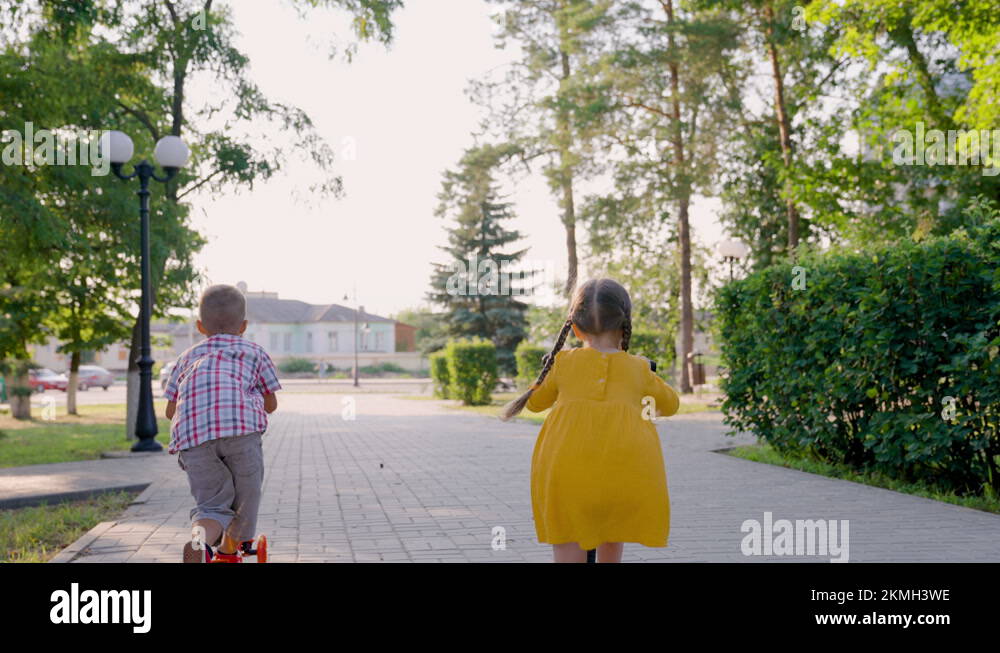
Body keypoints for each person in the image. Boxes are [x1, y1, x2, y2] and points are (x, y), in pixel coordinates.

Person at [501, 278, 680, 563]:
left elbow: (535, 403)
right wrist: (647, 369)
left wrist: (549, 370)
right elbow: (670, 405)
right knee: (612, 535)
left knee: (568, 544)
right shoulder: (638, 368)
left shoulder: (563, 362)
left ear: (574, 327)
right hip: (623, 474)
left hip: (567, 472)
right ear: (625, 323)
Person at [164, 284, 281, 563]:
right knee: (245, 497)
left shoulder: (186, 358)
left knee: (211, 505)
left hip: (193, 439)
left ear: (200, 326)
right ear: (243, 326)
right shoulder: (254, 351)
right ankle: (229, 553)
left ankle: (199, 543)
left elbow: (171, 410)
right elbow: (271, 404)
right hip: (241, 434)